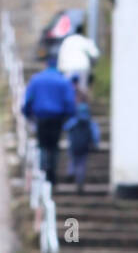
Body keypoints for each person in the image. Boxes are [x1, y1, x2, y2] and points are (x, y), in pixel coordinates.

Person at [22, 54, 77, 187]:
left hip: (41, 118)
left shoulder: (36, 80)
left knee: (42, 146)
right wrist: (68, 116)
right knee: (54, 147)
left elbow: (28, 100)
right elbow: (70, 102)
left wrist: (27, 114)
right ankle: (52, 175)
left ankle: (43, 173)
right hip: (57, 118)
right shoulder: (63, 81)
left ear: (46, 65)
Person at [64, 83, 100, 193]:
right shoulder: (89, 121)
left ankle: (71, 172)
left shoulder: (75, 118)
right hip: (85, 144)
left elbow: (67, 127)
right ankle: (80, 180)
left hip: (74, 143)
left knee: (73, 159)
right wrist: (95, 142)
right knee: (82, 163)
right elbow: (95, 131)